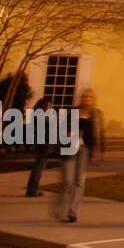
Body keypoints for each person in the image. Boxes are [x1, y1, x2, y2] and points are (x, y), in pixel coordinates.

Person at [57, 89, 103, 223]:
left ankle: (73, 212)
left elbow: (98, 133)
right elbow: (62, 127)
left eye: (89, 97)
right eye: (84, 97)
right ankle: (60, 208)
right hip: (70, 147)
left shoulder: (95, 114)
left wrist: (98, 150)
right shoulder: (73, 112)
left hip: (85, 149)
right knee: (67, 181)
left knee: (79, 181)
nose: (86, 100)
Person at [25, 98, 53, 197]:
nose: (50, 108)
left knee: (38, 167)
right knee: (38, 168)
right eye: (48, 106)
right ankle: (32, 190)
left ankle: (32, 189)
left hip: (41, 142)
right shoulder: (42, 116)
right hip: (43, 143)